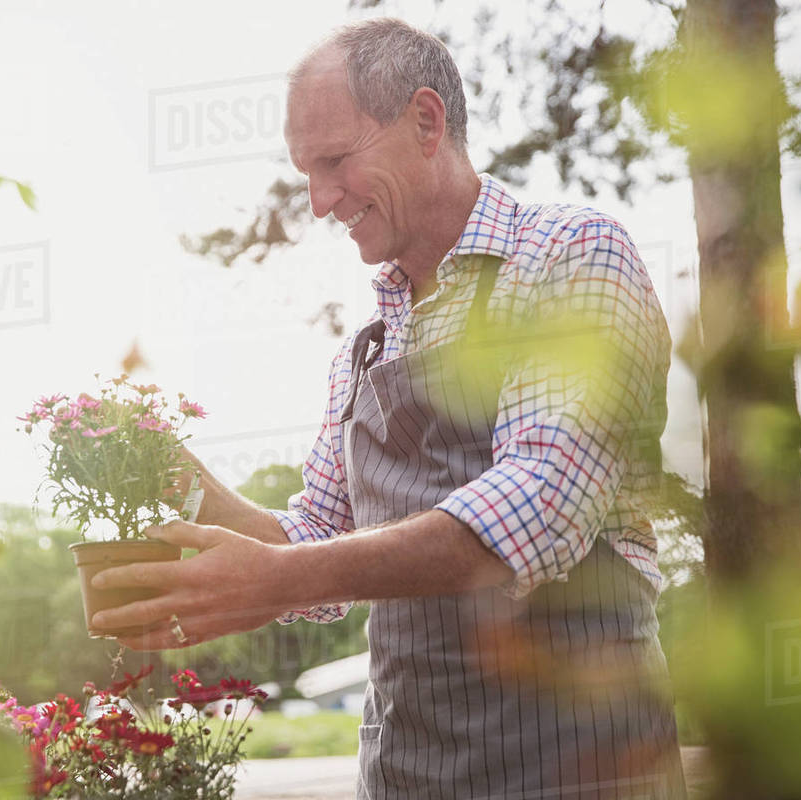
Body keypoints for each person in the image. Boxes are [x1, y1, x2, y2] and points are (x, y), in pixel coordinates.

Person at [92, 18, 688, 799]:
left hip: (579, 767)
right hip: (411, 772)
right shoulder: (364, 350)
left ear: (426, 121)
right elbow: (315, 544)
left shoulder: (570, 256)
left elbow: (539, 509)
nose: (318, 201)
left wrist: (276, 579)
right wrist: (179, 478)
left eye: (336, 161)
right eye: (307, 172)